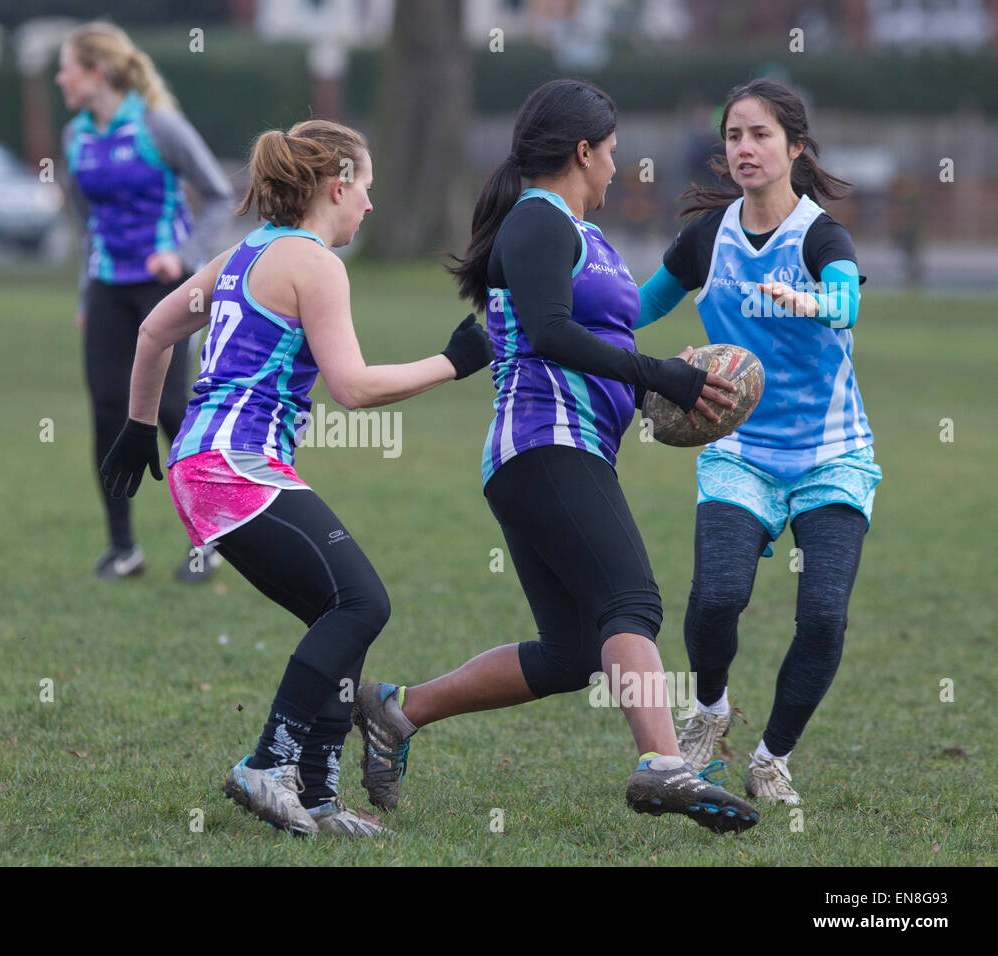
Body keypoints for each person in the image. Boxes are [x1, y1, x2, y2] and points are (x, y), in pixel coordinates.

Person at [353, 79, 760, 834]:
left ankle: (396, 712)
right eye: (611, 155)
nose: (615, 169)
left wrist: (672, 399)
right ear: (582, 152)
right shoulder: (536, 222)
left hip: (563, 454)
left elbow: (599, 345)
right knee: (631, 602)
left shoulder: (588, 236)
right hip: (543, 446)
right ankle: (664, 767)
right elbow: (545, 332)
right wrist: (658, 374)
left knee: (575, 653)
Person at [99, 120, 494, 836]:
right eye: (365, 190)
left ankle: (316, 796)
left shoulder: (243, 253)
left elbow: (155, 330)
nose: (369, 207)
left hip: (206, 465)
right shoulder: (315, 263)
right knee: (361, 604)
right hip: (233, 468)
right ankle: (267, 765)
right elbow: (352, 387)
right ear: (337, 185)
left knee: (341, 610)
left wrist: (136, 424)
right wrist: (452, 364)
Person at [635, 78, 881, 805]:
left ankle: (772, 757)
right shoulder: (707, 239)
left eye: (760, 135)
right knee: (716, 599)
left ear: (795, 147)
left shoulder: (821, 236)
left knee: (824, 614)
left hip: (832, 452)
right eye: (734, 136)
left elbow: (846, 298)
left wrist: (816, 301)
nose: (744, 147)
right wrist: (564, 321)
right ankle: (709, 709)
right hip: (741, 450)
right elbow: (637, 309)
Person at [56, 22, 235, 582]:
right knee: (108, 409)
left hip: (165, 288)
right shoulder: (74, 137)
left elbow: (220, 196)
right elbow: (86, 221)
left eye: (67, 68)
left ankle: (208, 541)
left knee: (168, 410)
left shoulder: (160, 127)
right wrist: (87, 293)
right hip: (107, 288)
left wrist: (181, 257)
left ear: (97, 73)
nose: (60, 78)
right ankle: (123, 547)